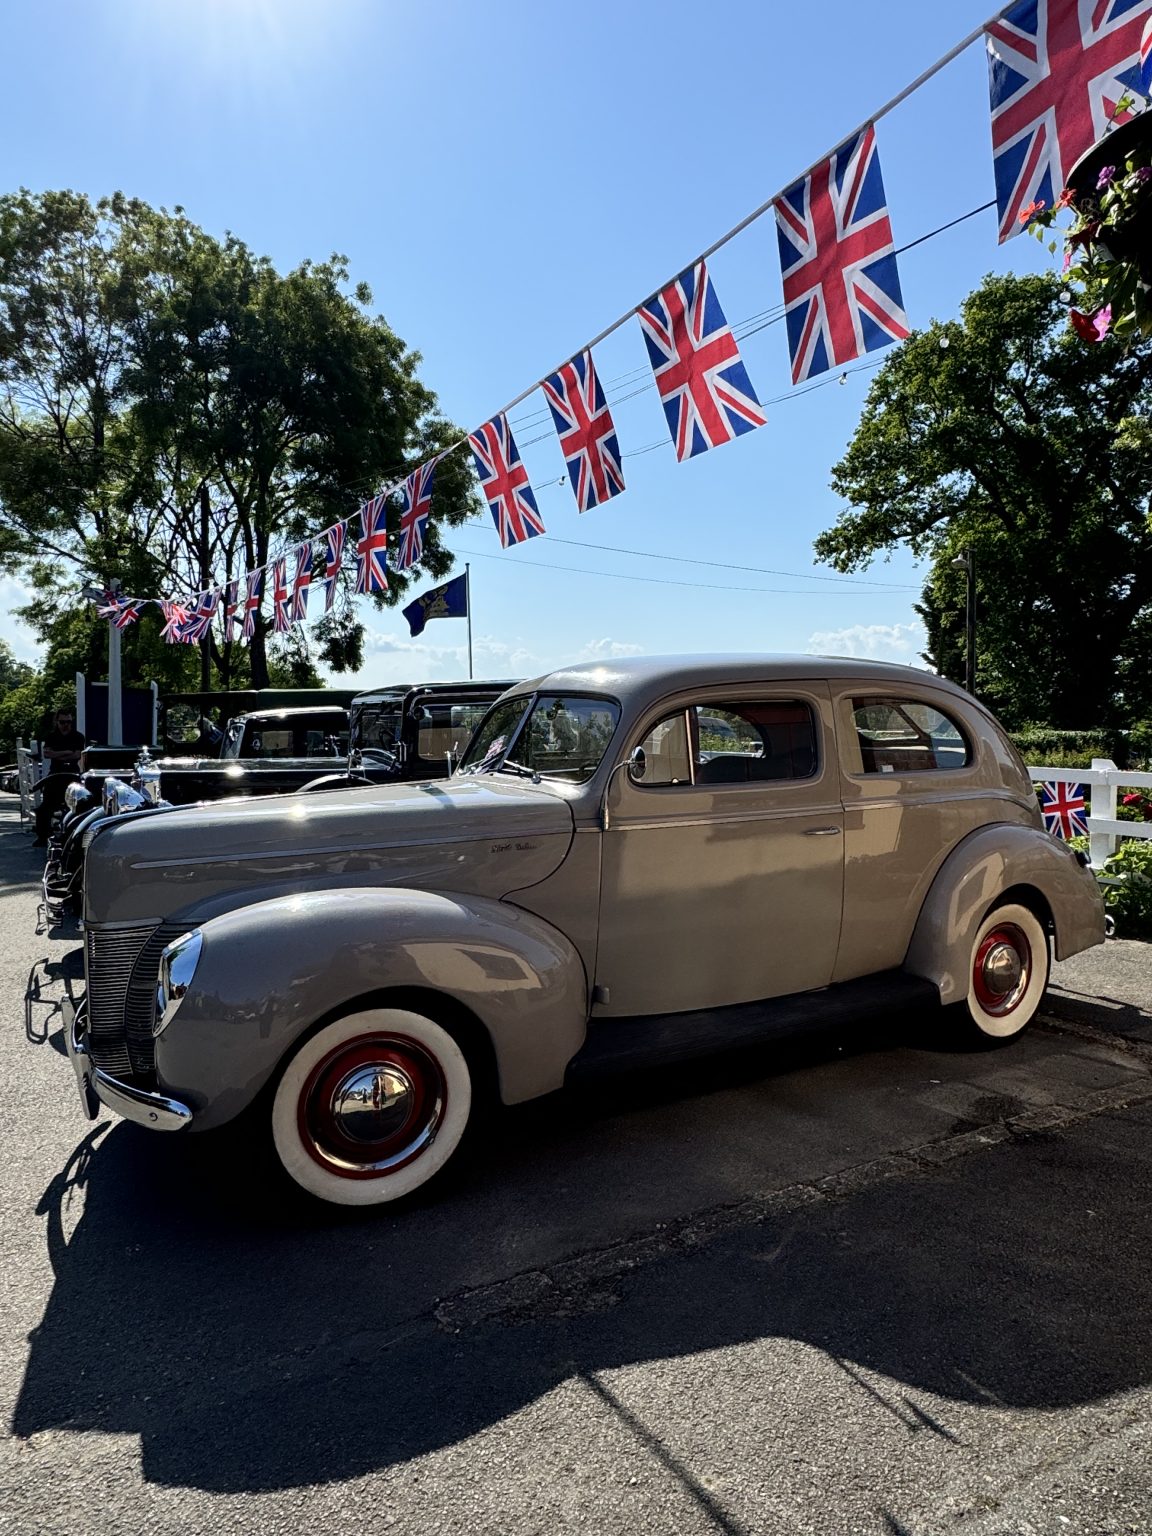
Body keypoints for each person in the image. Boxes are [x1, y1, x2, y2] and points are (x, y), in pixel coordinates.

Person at [33, 708, 87, 847]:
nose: (66, 725)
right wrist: (67, 752)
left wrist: (58, 753)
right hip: (55, 773)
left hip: (72, 774)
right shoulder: (51, 736)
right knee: (44, 808)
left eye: (69, 722)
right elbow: (47, 754)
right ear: (57, 722)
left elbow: (77, 755)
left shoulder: (78, 736)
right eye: (63, 722)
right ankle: (42, 836)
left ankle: (75, 834)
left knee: (79, 803)